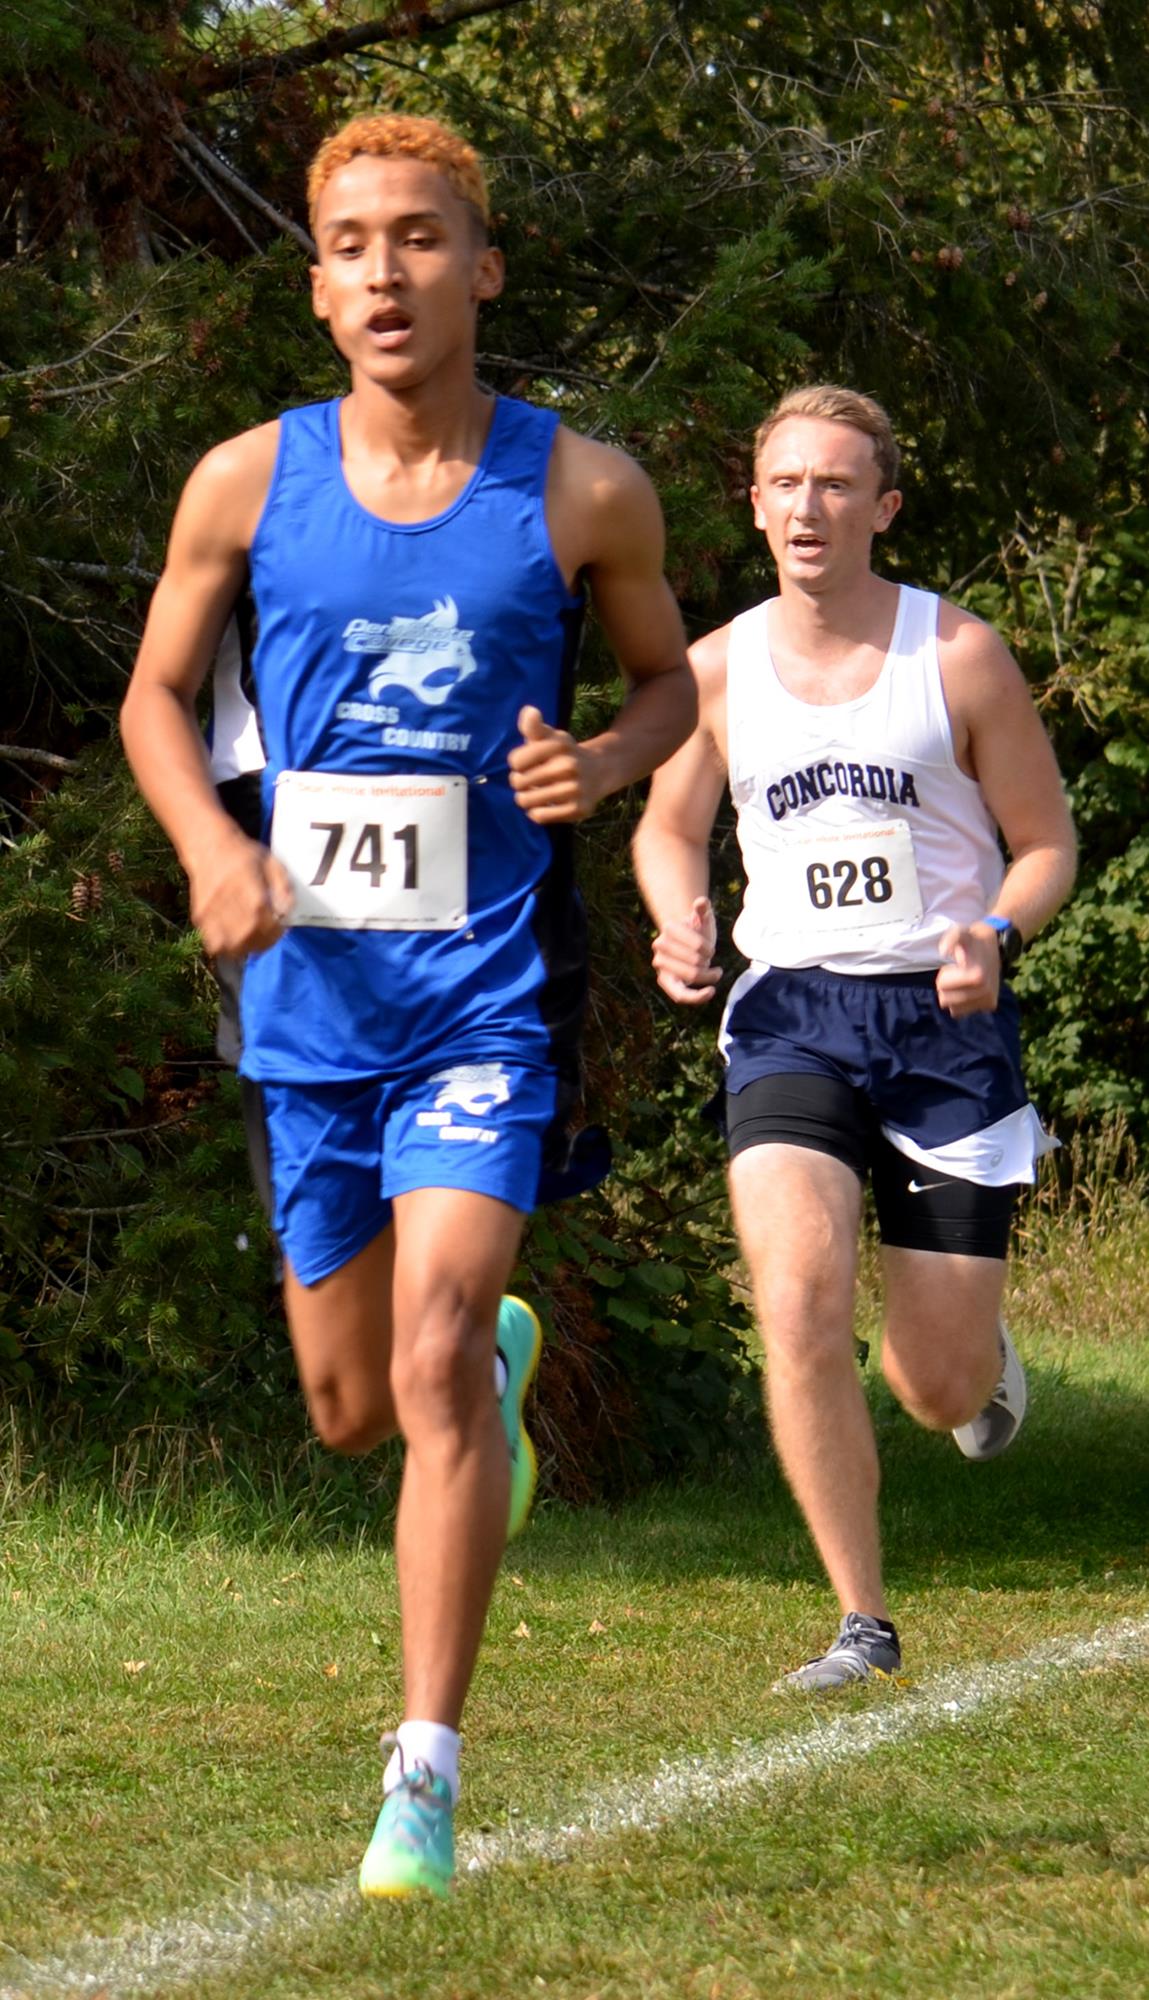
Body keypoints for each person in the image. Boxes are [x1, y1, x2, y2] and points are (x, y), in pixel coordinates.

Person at [121, 111, 695, 1896]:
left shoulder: (581, 489)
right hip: (308, 1006)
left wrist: (601, 764)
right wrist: (214, 850)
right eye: (355, 243)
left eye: (423, 237)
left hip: (485, 999)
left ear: (482, 266)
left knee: (434, 1355)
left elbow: (674, 687)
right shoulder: (241, 480)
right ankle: (483, 1383)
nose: (388, 269)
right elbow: (153, 696)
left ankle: (422, 1777)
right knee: (350, 1410)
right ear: (316, 286)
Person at [632, 384, 1076, 1690]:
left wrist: (992, 930)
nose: (807, 507)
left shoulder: (955, 659)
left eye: (834, 484)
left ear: (880, 506)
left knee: (929, 1385)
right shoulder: (714, 668)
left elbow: (1045, 842)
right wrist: (679, 916)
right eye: (784, 483)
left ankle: (980, 1366)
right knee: (797, 1298)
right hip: (789, 1013)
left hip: (942, 1022)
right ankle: (859, 1624)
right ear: (755, 505)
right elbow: (666, 827)